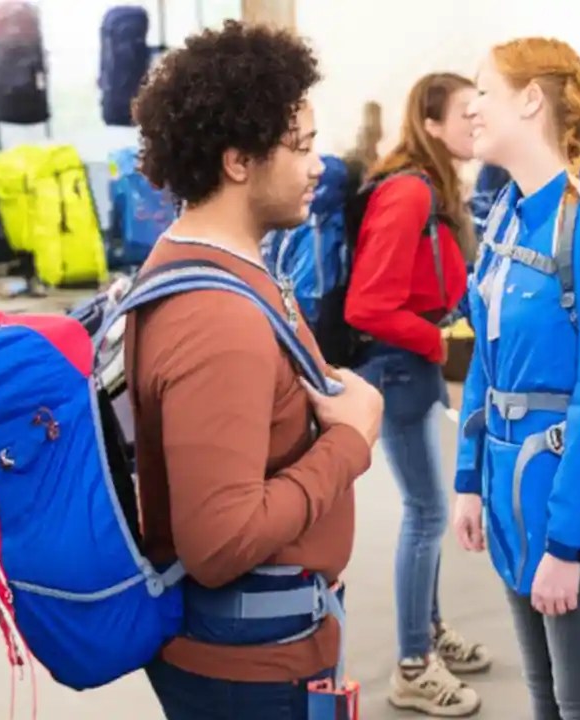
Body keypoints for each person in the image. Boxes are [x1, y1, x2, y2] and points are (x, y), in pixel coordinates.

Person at [127, 21, 384, 719]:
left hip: (259, 649)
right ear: (239, 160)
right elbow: (221, 542)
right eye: (299, 147)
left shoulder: (210, 269)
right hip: (252, 676)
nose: (316, 167)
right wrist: (350, 442)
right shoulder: (218, 317)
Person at [453, 36, 580, 720]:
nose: (469, 107)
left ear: (531, 99)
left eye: (482, 91)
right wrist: (467, 478)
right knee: (545, 696)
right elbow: (486, 356)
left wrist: (568, 541)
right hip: (510, 485)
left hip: (575, 497)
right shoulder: (508, 212)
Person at [342, 72, 487, 718]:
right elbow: (367, 304)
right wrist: (432, 345)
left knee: (424, 510)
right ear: (430, 125)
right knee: (427, 513)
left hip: (409, 362)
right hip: (398, 364)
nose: (476, 120)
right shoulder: (408, 192)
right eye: (464, 112)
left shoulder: (428, 184)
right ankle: (410, 665)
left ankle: (426, 634)